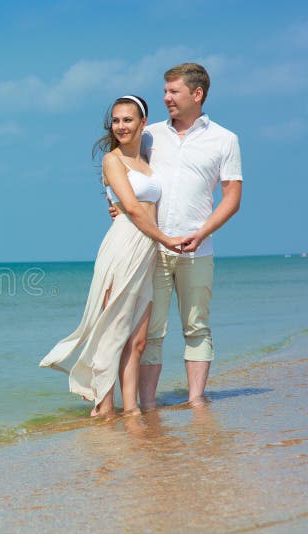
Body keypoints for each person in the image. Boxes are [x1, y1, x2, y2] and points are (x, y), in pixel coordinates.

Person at [39, 95, 185, 417]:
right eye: (116, 120)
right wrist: (166, 239)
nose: (121, 126)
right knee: (111, 332)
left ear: (142, 123)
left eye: (128, 119)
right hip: (123, 247)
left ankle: (130, 409)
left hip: (146, 252)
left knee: (138, 341)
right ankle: (103, 408)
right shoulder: (112, 161)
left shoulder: (148, 161)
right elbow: (132, 207)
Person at [128, 63, 243, 409]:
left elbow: (232, 197)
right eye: (165, 91)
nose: (165, 98)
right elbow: (126, 173)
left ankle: (196, 402)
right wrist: (118, 205)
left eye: (173, 91)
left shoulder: (225, 139)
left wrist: (201, 232)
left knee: (196, 327)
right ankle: (148, 406)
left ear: (197, 94)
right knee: (152, 332)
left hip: (198, 249)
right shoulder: (150, 135)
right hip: (154, 247)